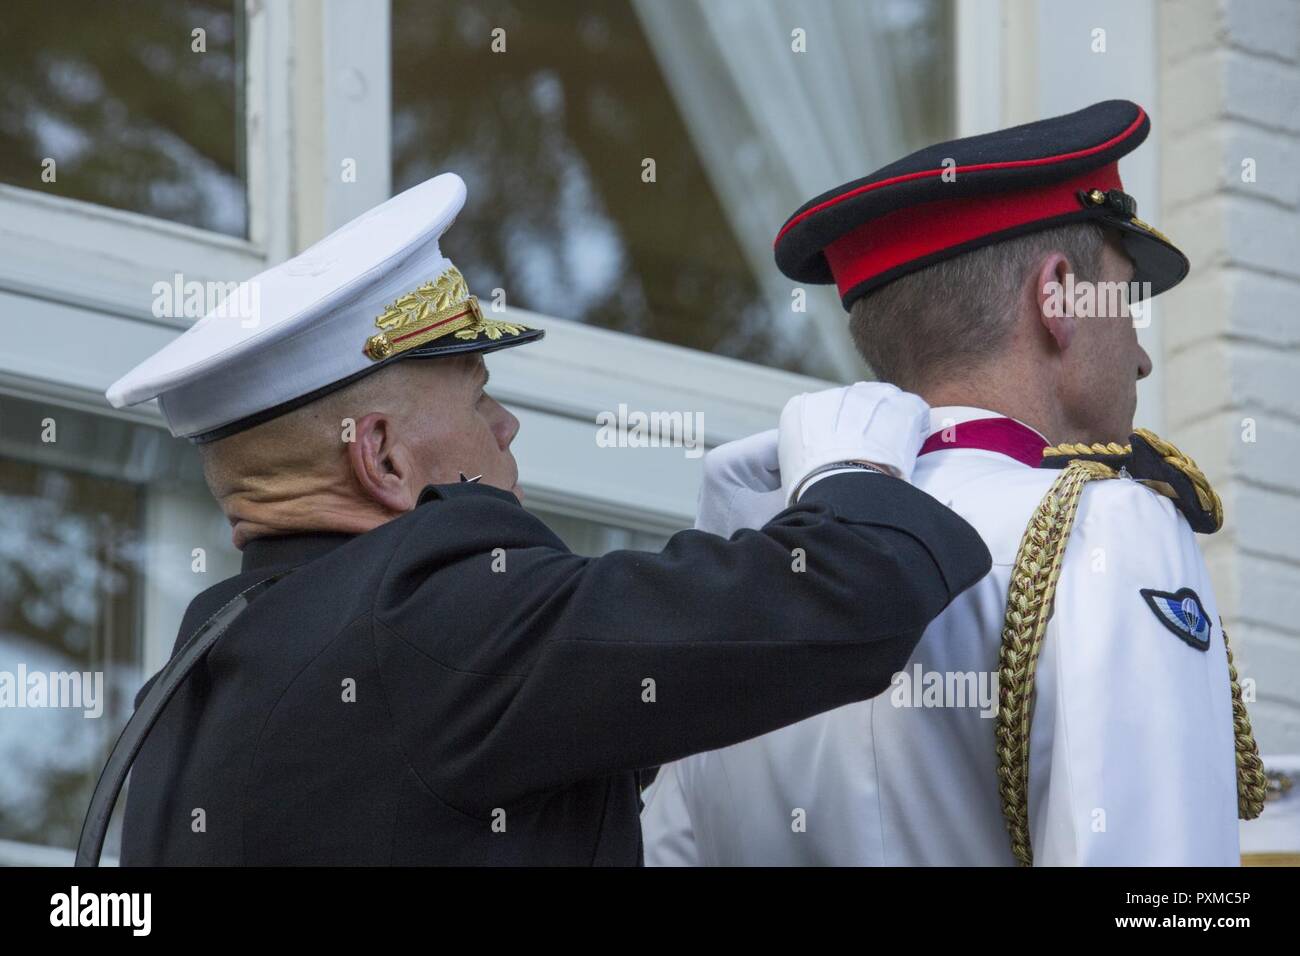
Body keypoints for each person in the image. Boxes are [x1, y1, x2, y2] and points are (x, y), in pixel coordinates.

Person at [101, 172, 991, 865]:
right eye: (479, 396)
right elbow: (851, 598)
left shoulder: (189, 684)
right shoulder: (426, 610)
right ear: (381, 457)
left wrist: (734, 548)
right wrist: (854, 475)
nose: (506, 426)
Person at [641, 99, 1268, 867]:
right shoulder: (1104, 532)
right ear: (1059, 297)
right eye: (1125, 303)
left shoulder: (748, 579)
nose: (1140, 357)